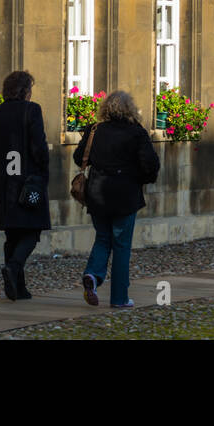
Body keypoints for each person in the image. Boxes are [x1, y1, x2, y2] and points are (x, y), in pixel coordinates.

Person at [72, 90, 159, 308]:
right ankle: (119, 298)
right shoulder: (136, 133)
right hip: (125, 194)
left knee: (103, 238)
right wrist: (141, 179)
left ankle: (92, 275)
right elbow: (151, 165)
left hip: (97, 193)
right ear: (129, 109)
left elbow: (78, 158)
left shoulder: (95, 130)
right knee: (121, 246)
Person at [0, 70, 50, 301]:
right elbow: (39, 147)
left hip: (4, 182)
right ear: (25, 91)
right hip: (28, 181)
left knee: (12, 234)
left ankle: (18, 288)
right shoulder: (32, 110)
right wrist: (43, 173)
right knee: (32, 230)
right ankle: (13, 268)